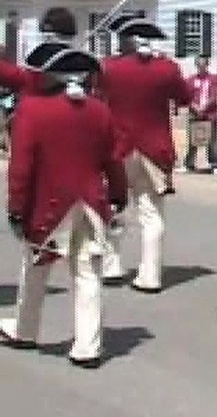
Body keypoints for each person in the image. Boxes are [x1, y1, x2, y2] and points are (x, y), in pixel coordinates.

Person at [0, 42, 128, 368]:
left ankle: (26, 330)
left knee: (36, 268)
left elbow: (21, 167)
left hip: (48, 205)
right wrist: (118, 193)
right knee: (87, 272)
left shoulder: (32, 110)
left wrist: (15, 207)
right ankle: (88, 345)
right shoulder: (100, 110)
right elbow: (113, 158)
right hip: (91, 203)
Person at [96, 14, 193, 292]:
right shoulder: (166, 68)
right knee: (151, 213)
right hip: (155, 148)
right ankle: (150, 274)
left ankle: (112, 265)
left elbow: (96, 96)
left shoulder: (108, 67)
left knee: (112, 205)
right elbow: (185, 97)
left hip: (117, 146)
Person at [183, 55, 217, 174]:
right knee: (192, 140)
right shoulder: (190, 80)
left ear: (207, 65)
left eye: (204, 64)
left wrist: (204, 108)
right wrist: (194, 107)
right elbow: (186, 96)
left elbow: (215, 95)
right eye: (199, 65)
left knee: (212, 140)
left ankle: (215, 164)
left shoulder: (214, 79)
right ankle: (189, 164)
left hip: (210, 114)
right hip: (194, 113)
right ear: (196, 65)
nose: (201, 67)